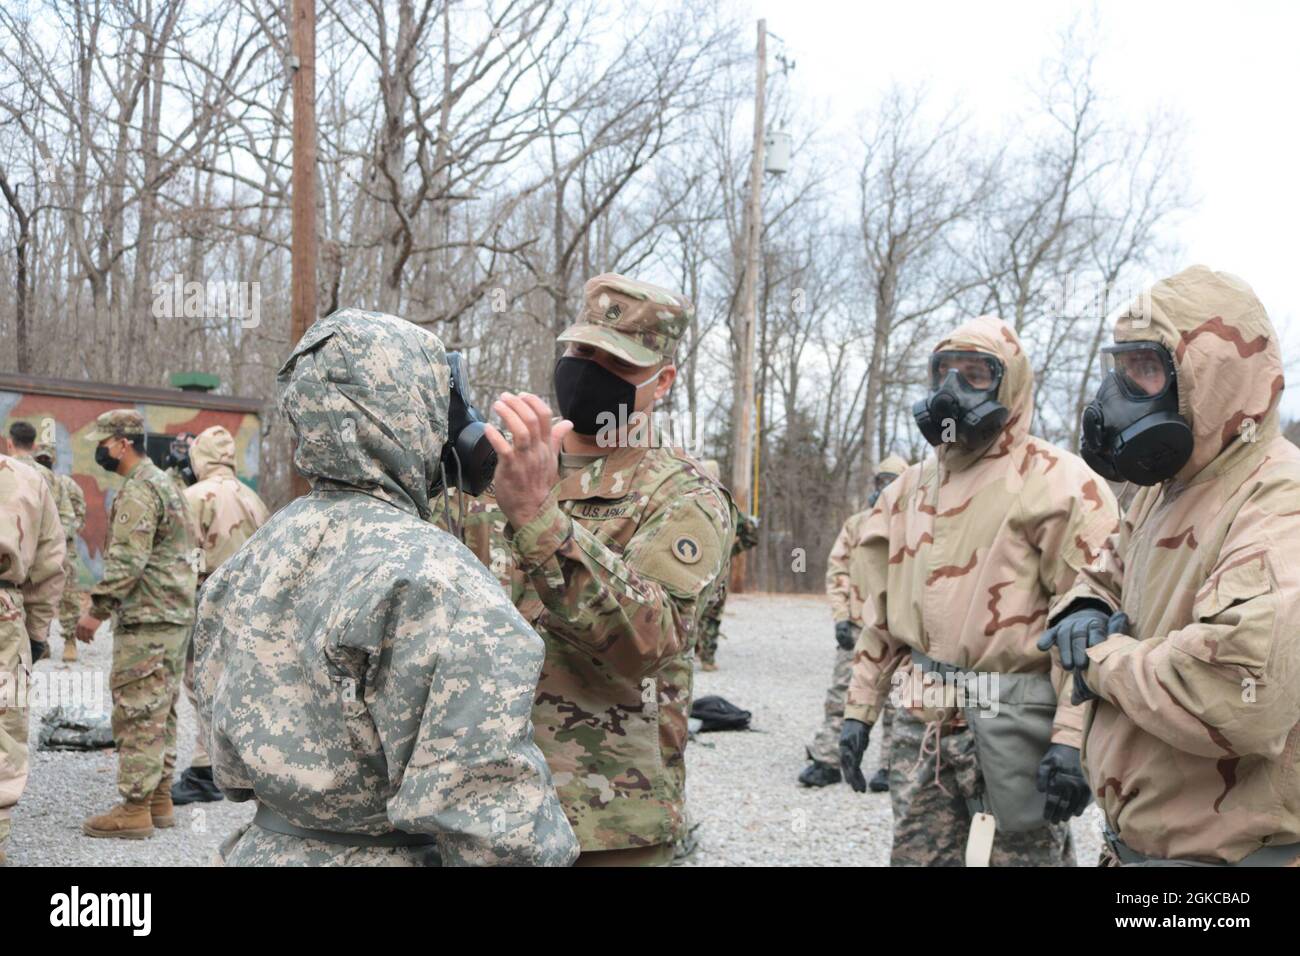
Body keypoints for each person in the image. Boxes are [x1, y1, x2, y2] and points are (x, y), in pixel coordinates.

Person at [192, 309, 577, 866]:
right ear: (413, 415)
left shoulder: (253, 555)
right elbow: (496, 828)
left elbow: (223, 752)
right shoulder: (439, 578)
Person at [460, 273, 734, 866]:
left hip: (605, 823)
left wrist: (538, 515)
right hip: (480, 809)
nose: (589, 370)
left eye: (614, 361)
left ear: (662, 382)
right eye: (581, 351)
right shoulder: (504, 468)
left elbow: (648, 639)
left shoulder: (683, 494)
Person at [1040, 265, 1300, 866]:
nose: (1121, 395)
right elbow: (1102, 573)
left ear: (1212, 380)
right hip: (1135, 852)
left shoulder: (1278, 503)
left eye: (1147, 370)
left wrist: (1098, 660)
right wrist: (1084, 609)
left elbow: (1239, 694)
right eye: (1122, 369)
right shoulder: (1165, 489)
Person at [839, 315, 1119, 866]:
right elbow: (882, 617)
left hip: (1016, 727)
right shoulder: (905, 493)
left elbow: (1093, 624)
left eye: (975, 376)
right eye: (945, 373)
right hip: (923, 728)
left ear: (1009, 385)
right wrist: (859, 711)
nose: (953, 392)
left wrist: (1070, 740)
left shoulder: (1061, 485)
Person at [77, 410, 198, 839]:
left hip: (147, 619)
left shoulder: (140, 490)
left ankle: (133, 810)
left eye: (104, 442)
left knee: (137, 713)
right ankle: (159, 798)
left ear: (122, 443)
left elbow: (129, 559)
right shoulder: (169, 483)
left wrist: (97, 611)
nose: (101, 451)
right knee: (161, 711)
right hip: (173, 617)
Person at [171, 425, 269, 805]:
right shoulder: (253, 498)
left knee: (200, 684)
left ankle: (205, 770)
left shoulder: (195, 497)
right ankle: (238, 766)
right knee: (238, 683)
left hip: (208, 597)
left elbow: (185, 556)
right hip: (251, 602)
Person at [799, 454, 907, 789]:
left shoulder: (916, 525)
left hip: (901, 630)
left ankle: (893, 766)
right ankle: (829, 758)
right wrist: (841, 617)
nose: (885, 488)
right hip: (860, 626)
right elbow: (838, 571)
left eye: (893, 482)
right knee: (842, 693)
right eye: (881, 481)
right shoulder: (857, 524)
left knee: (899, 700)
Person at [0, 451, 66, 864]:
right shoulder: (27, 479)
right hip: (4, 610)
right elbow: (48, 565)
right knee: (4, 724)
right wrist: (37, 635)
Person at [695, 459, 758, 672]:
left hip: (690, 566)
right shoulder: (725, 503)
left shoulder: (687, 498)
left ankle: (691, 653)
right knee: (712, 613)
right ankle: (707, 658)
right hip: (717, 568)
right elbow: (751, 534)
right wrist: (731, 552)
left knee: (689, 607)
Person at [33, 425, 87, 663]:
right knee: (36, 597)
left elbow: (79, 514)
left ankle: (69, 640)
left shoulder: (66, 484)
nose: (44, 461)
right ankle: (40, 642)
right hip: (35, 550)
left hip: (63, 549)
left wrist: (59, 536)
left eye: (47, 457)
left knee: (68, 597)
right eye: (41, 457)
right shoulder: (30, 480)